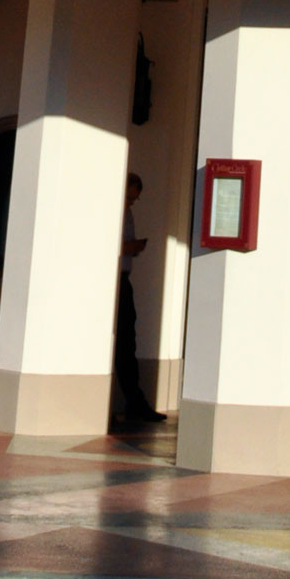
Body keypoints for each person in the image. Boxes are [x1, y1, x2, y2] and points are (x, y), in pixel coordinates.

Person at [113, 172, 165, 425]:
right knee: (123, 341)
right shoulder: (110, 210)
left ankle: (135, 401)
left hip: (123, 279)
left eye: (134, 199)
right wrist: (127, 248)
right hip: (110, 281)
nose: (131, 203)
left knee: (127, 341)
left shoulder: (127, 213)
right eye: (129, 197)